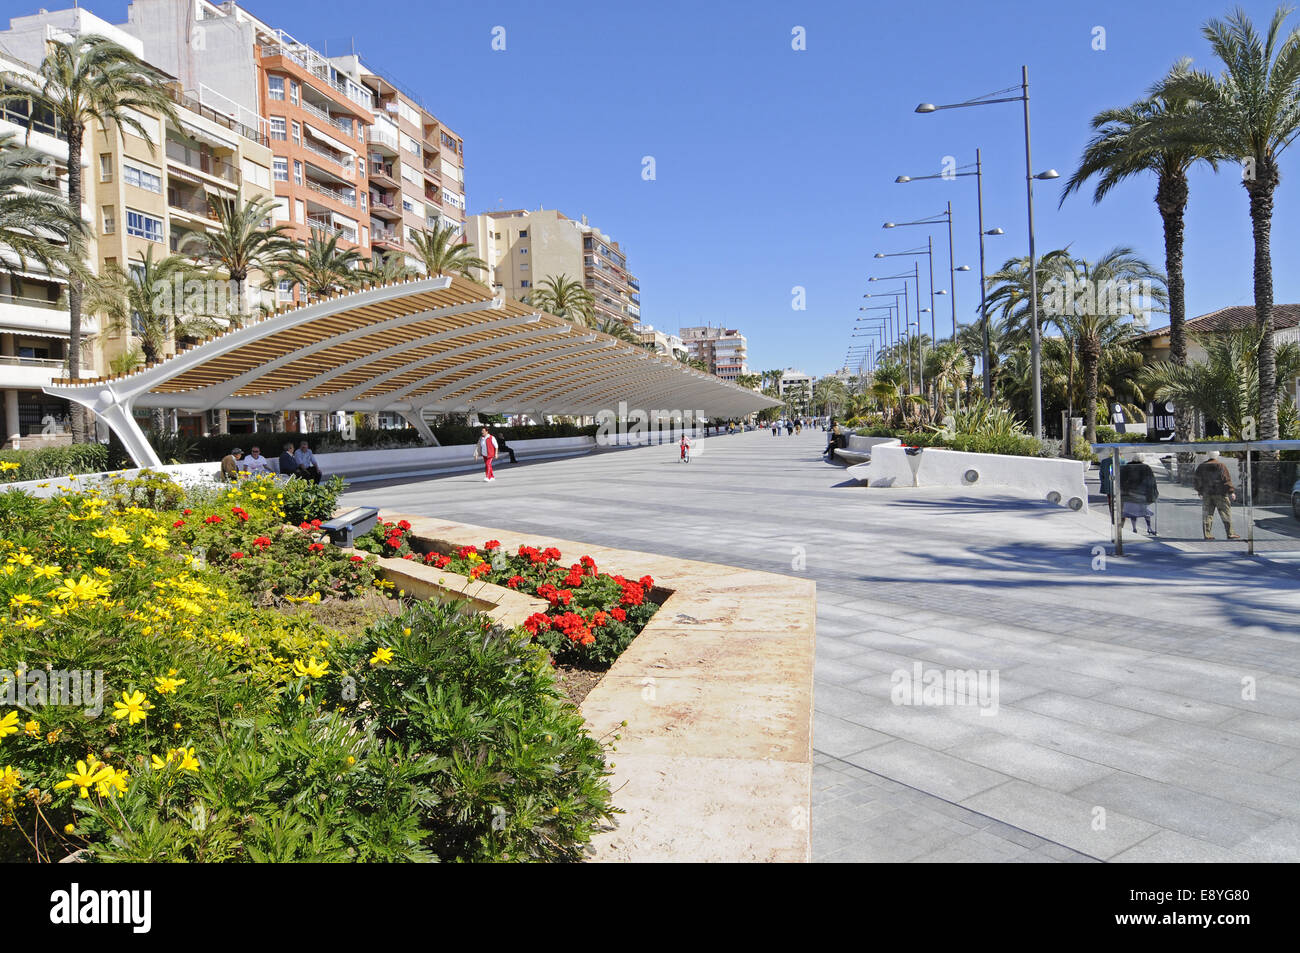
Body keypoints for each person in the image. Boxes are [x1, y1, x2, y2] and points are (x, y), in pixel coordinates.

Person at [1194, 452, 1241, 540]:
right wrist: (1231, 492)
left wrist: (1200, 491)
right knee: (1226, 513)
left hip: (1207, 494)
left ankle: (1207, 534)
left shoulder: (1202, 466)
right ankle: (1230, 533)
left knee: (1207, 514)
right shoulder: (1221, 465)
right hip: (1220, 493)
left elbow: (1197, 480)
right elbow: (1226, 479)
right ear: (1217, 455)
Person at [1119, 458, 1159, 536]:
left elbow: (1122, 480)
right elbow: (1151, 480)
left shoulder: (1127, 467)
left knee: (1132, 512)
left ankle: (1134, 528)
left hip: (1129, 494)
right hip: (1142, 493)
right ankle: (1149, 527)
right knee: (1145, 511)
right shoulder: (1145, 467)